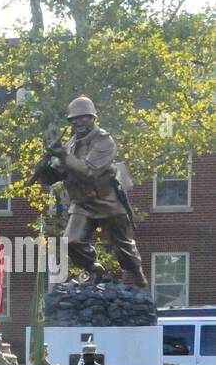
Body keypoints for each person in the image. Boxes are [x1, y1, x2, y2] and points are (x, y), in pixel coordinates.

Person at [51, 96, 147, 288]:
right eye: (74, 119)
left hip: (107, 202)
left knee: (124, 248)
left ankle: (138, 279)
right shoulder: (70, 144)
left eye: (83, 117)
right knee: (71, 242)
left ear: (92, 118)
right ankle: (94, 268)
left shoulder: (104, 141)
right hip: (82, 204)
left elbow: (89, 172)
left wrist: (63, 156)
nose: (79, 122)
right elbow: (59, 173)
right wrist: (48, 165)